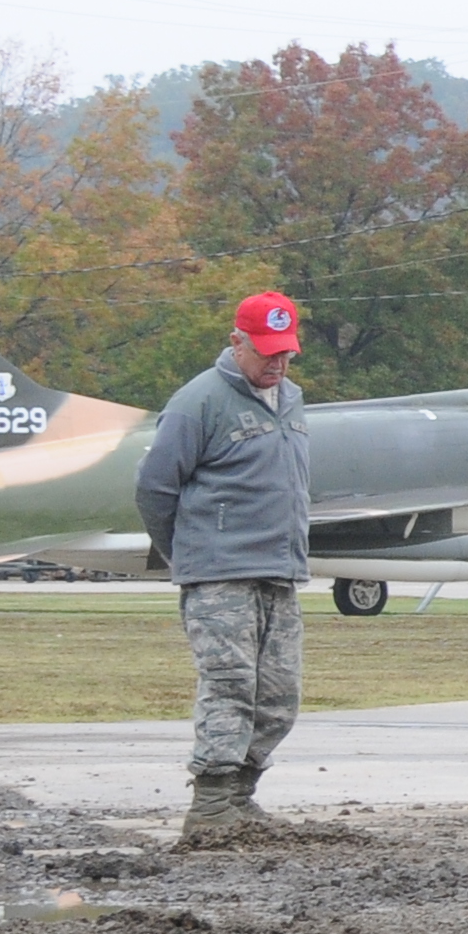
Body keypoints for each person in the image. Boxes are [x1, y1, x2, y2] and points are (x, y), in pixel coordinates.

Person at [136, 290, 314, 847]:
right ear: (237, 343)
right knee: (230, 685)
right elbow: (155, 487)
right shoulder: (198, 402)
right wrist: (189, 556)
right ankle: (211, 807)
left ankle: (241, 797)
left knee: (279, 694)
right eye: (266, 353)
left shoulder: (291, 399)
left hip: (279, 571)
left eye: (285, 353)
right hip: (219, 576)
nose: (277, 364)